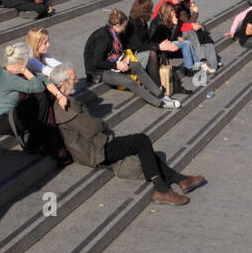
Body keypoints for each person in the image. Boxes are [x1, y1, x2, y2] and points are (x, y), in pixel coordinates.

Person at [49, 63, 201, 206]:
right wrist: (103, 124)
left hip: (97, 145)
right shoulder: (65, 106)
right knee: (141, 141)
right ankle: (161, 190)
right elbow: (93, 128)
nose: (76, 81)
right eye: (73, 78)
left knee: (144, 150)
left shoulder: (66, 101)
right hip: (95, 151)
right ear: (63, 83)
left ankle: (180, 179)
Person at [0, 41, 67, 158]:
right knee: (41, 97)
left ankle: (40, 132)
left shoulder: (9, 70)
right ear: (20, 63)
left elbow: (43, 79)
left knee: (42, 95)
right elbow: (38, 87)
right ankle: (35, 141)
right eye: (27, 61)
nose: (29, 64)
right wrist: (25, 70)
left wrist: (60, 95)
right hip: (2, 122)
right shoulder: (10, 78)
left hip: (9, 116)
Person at [84, 8, 176, 109]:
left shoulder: (112, 33)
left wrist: (121, 60)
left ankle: (161, 95)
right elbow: (96, 62)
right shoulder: (103, 37)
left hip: (111, 64)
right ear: (118, 25)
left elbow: (112, 54)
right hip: (98, 71)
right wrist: (116, 65)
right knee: (129, 81)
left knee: (135, 65)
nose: (124, 29)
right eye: (124, 26)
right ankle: (159, 103)